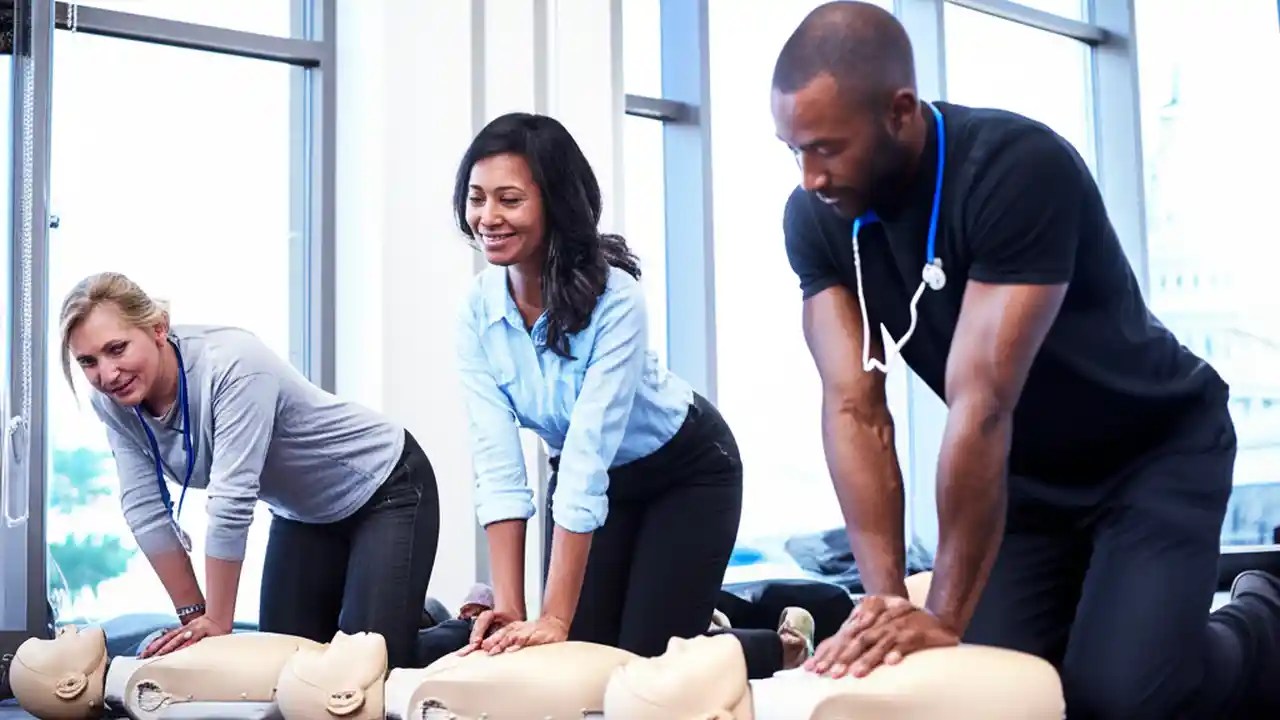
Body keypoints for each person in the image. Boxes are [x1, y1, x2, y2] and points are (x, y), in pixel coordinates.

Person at [769, 2, 1280, 719]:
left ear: (900, 111)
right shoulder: (818, 221)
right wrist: (885, 605)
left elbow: (982, 406)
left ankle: (1262, 616)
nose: (810, 177)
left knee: (1119, 699)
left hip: (1153, 453)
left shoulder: (1013, 170)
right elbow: (855, 408)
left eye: (826, 147)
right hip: (1029, 482)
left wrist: (942, 615)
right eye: (794, 150)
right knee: (1004, 692)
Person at [452, 111, 751, 660]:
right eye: (477, 198)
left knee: (641, 665)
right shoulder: (477, 309)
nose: (487, 217)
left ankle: (781, 638)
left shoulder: (617, 301)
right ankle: (700, 612)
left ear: (556, 204)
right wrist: (515, 610)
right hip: (588, 483)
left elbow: (589, 455)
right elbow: (498, 463)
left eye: (509, 200)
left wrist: (555, 616)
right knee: (572, 656)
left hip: (684, 472)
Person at [59, 272, 440, 670]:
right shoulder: (113, 403)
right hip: (303, 515)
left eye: (117, 349)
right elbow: (144, 509)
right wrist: (195, 620)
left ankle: (450, 629)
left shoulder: (233, 363)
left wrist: (218, 624)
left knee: (366, 667)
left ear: (158, 328)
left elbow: (230, 502)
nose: (107, 374)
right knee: (283, 668)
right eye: (88, 361)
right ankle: (404, 614)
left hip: (386, 486)